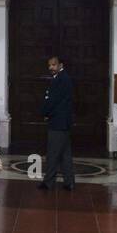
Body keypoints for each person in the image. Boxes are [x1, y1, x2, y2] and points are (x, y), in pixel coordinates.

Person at [40, 54, 75, 190]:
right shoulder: (64, 78)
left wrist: (44, 113)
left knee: (53, 153)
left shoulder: (59, 80)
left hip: (57, 123)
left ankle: (48, 182)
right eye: (49, 65)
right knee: (65, 154)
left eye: (54, 65)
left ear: (61, 65)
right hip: (64, 123)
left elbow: (52, 101)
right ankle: (69, 182)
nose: (51, 67)